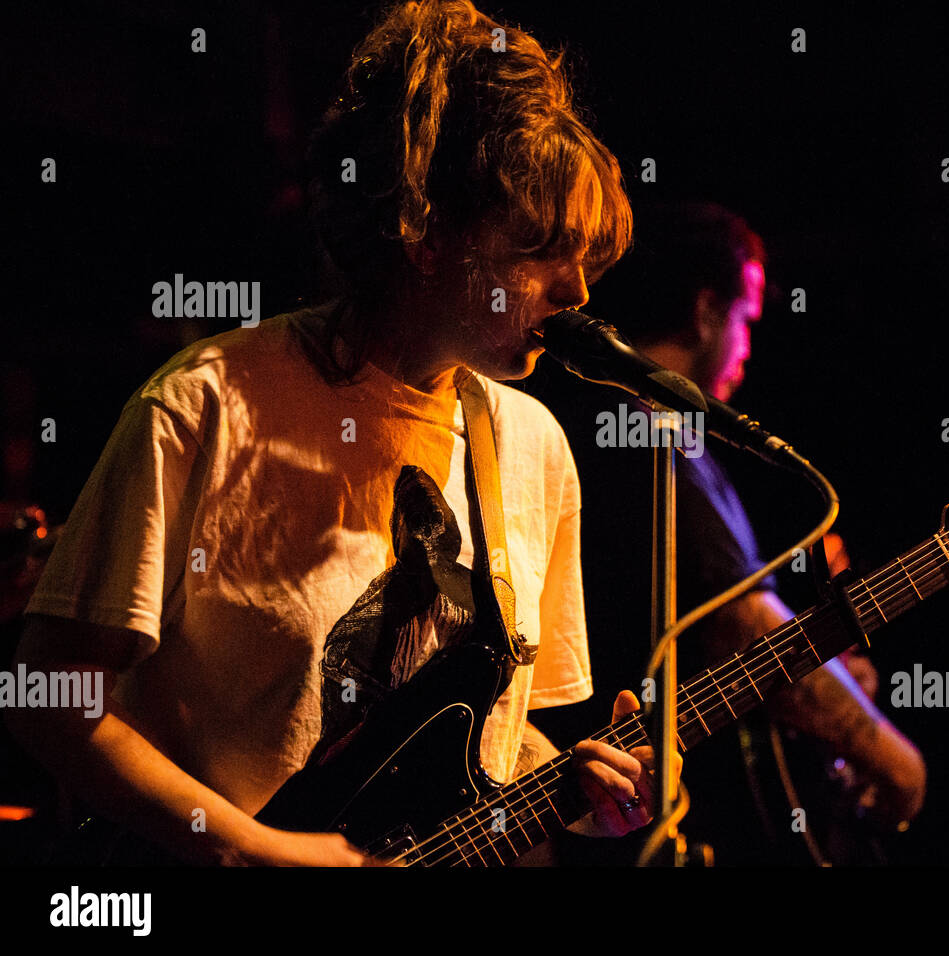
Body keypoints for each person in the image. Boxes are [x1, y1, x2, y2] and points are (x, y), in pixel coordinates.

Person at [6, 0, 667, 866]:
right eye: (543, 250)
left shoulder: (535, 448)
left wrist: (582, 791)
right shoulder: (205, 406)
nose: (577, 293)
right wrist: (245, 849)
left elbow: (496, 751)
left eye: (588, 259)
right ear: (428, 229)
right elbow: (44, 694)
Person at [526, 201, 926, 864]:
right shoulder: (647, 432)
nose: (746, 348)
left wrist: (840, 681)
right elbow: (739, 624)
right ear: (708, 311)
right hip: (610, 825)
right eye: (746, 320)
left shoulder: (633, 425)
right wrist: (891, 755)